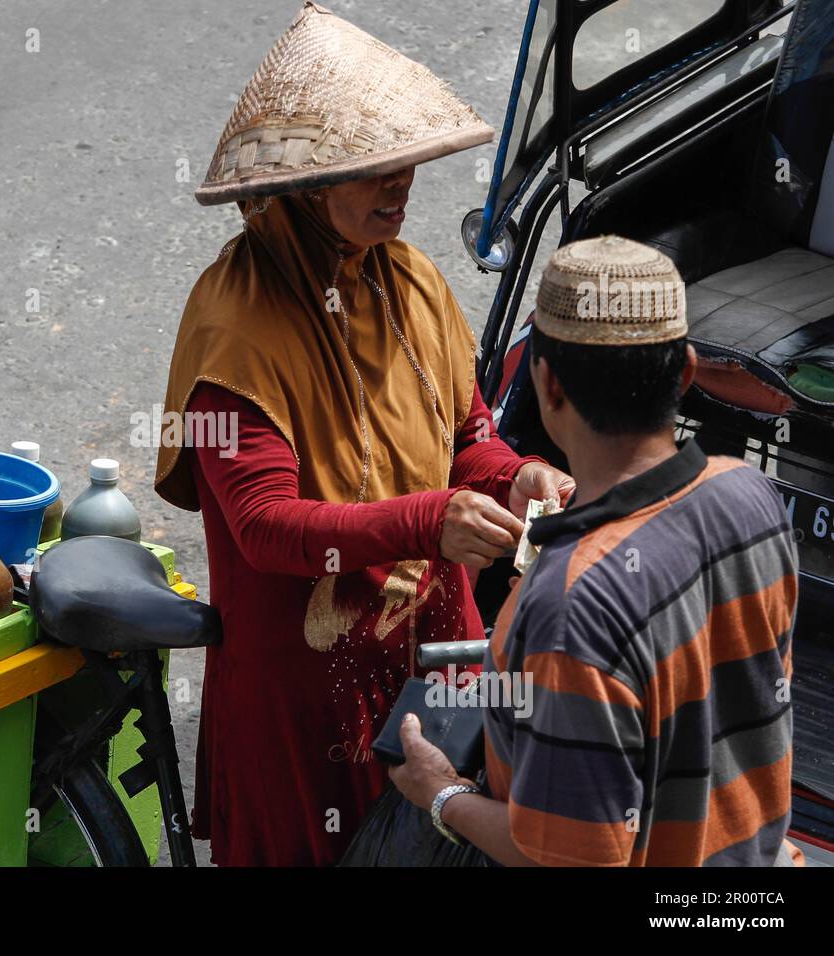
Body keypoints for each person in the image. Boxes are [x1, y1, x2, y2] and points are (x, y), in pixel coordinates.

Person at [154, 3, 572, 866]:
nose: (402, 185)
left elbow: (465, 439)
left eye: (407, 163)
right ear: (307, 186)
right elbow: (265, 528)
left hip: (435, 655)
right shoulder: (234, 326)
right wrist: (430, 521)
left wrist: (516, 476)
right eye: (373, 169)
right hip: (306, 693)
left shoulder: (411, 281)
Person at [389, 236, 802, 866]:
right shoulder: (749, 496)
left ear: (547, 384)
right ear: (687, 372)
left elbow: (568, 859)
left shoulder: (572, 602)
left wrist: (442, 792)